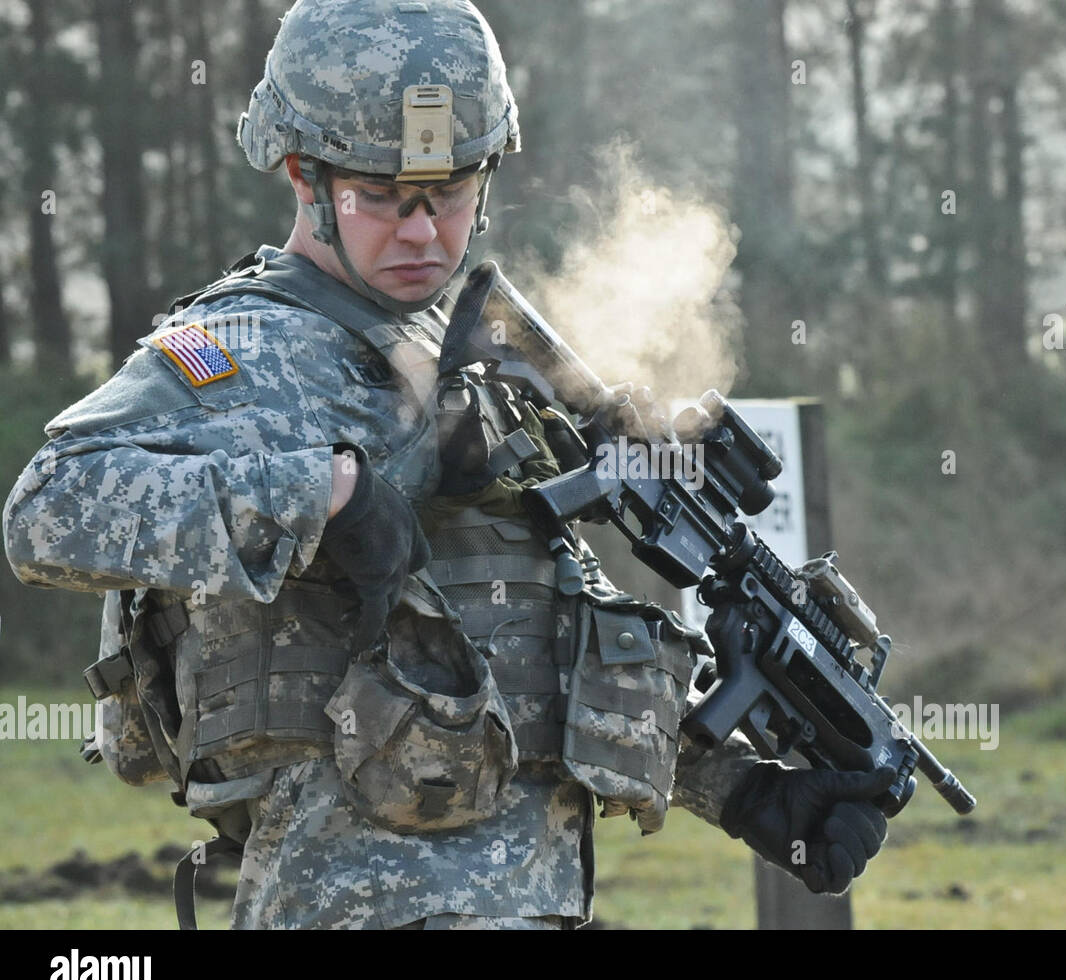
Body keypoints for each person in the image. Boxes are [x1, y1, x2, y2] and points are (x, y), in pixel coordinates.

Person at [2, 0, 892, 930]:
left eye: (452, 193)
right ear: (305, 178)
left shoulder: (488, 370)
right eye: (381, 199)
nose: (424, 232)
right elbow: (46, 507)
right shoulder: (243, 347)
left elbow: (534, 653)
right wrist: (324, 495)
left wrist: (743, 790)